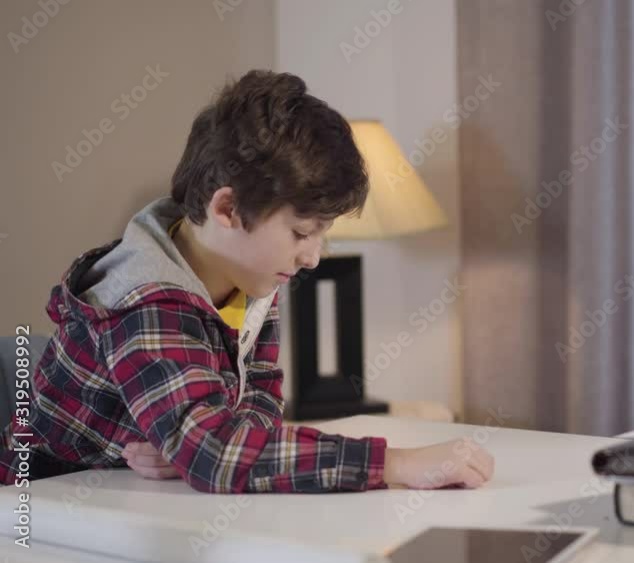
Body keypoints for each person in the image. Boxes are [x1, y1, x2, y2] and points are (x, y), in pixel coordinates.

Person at [0, 69, 494, 493]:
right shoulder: (146, 299)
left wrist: (197, 448)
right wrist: (396, 464)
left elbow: (259, 396)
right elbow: (217, 455)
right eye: (301, 233)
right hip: (39, 507)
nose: (313, 258)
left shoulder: (249, 274)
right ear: (228, 209)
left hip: (133, 498)